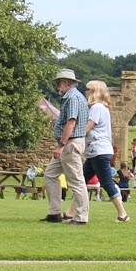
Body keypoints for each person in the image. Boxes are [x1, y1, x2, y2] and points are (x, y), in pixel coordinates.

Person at [39, 69, 91, 224]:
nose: (57, 86)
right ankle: (54, 213)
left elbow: (71, 122)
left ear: (66, 83)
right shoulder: (73, 97)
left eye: (59, 83)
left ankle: (81, 217)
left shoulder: (73, 98)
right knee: (50, 174)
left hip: (70, 144)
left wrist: (60, 144)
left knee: (76, 180)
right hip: (69, 143)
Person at [82, 80, 131, 222]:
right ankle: (70, 212)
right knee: (82, 181)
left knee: (107, 182)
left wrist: (72, 136)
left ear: (95, 91)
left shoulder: (97, 108)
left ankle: (123, 214)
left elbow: (87, 128)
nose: (86, 91)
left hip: (99, 151)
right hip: (95, 151)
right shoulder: (102, 108)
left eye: (88, 89)